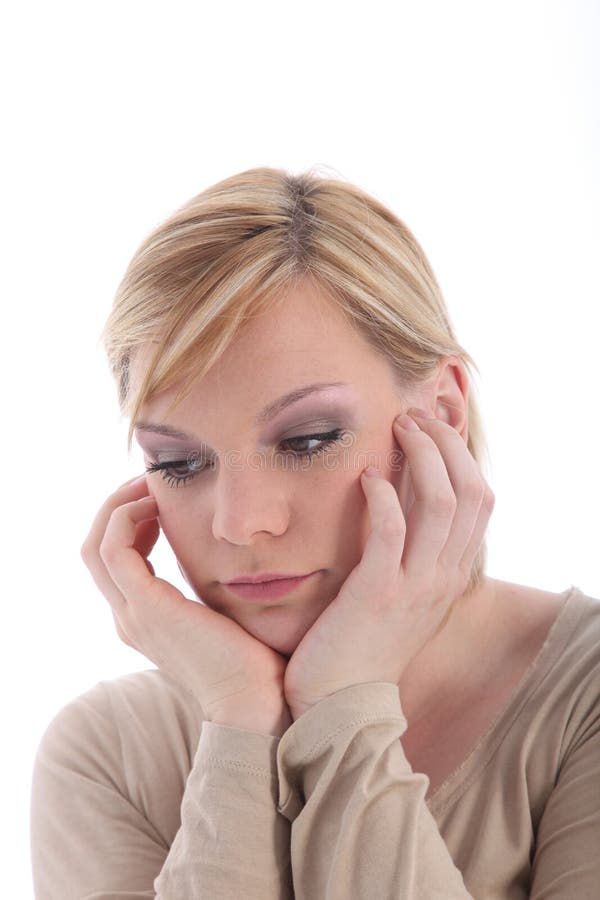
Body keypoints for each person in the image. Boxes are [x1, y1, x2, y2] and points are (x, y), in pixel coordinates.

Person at [30, 166, 600, 899]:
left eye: (307, 440)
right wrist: (239, 716)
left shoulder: (582, 698)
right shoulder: (109, 754)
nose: (240, 522)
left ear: (443, 417)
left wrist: (345, 707)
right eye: (177, 462)